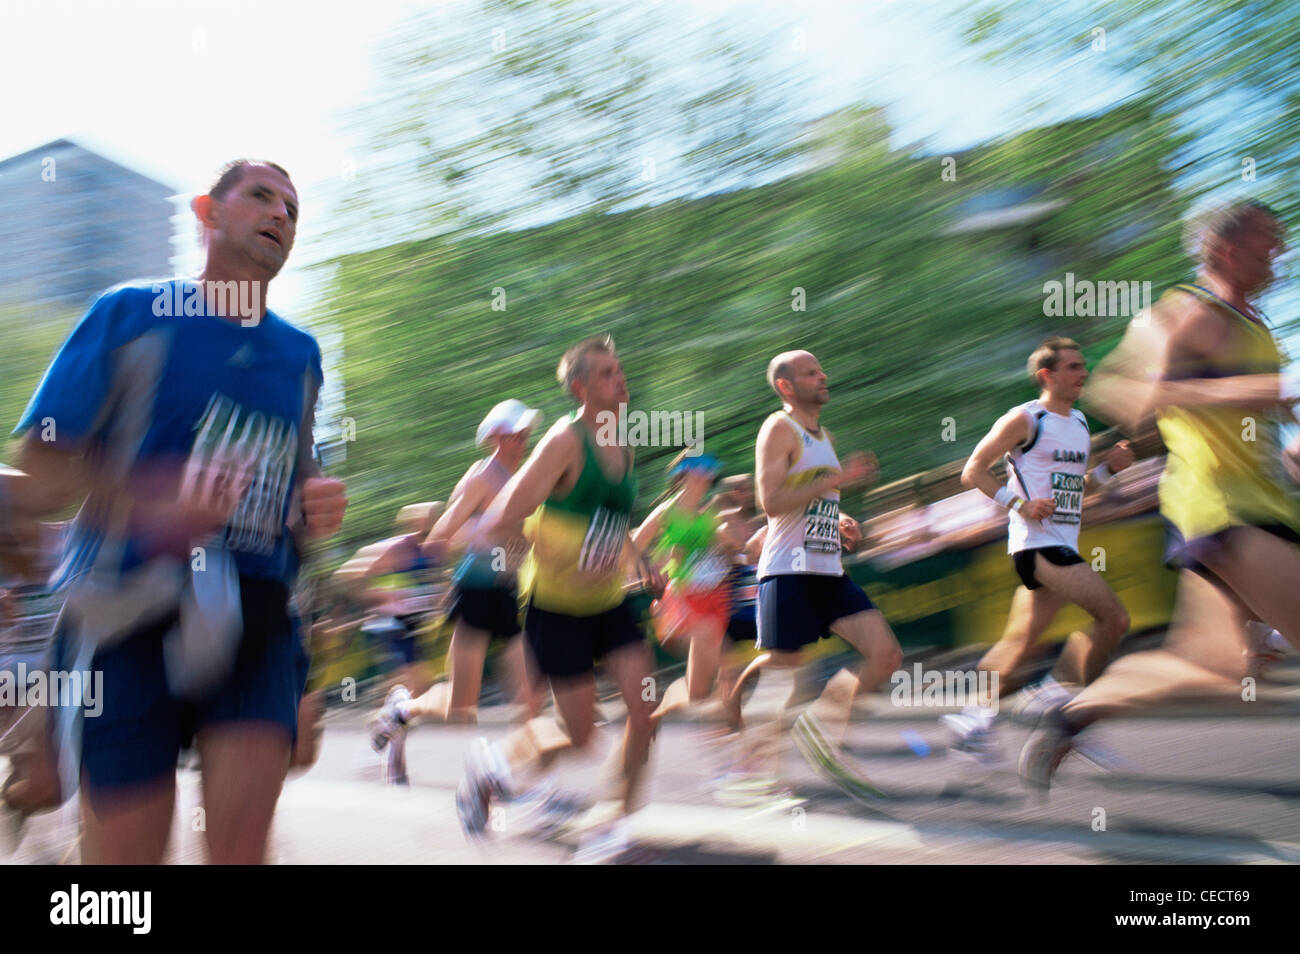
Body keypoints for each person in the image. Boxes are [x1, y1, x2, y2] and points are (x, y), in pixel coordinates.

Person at [0, 159, 347, 863]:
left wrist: (314, 502)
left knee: (240, 851)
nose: (280, 214)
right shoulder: (129, 315)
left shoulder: (301, 355)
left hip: (256, 613)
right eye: (260, 196)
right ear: (207, 213)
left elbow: (299, 480)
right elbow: (38, 474)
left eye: (292, 208)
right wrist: (152, 496)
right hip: (128, 612)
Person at [1021, 199, 1300, 789]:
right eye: (1267, 240)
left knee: (1217, 669)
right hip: (1224, 509)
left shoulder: (1252, 322)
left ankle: (1070, 714)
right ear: (1227, 249)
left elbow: (1255, 418)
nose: (1279, 249)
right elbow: (1124, 392)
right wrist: (1258, 389)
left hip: (1258, 504)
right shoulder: (1186, 311)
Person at [455, 335, 657, 860]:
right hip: (557, 609)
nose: (622, 379)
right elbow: (503, 515)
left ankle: (612, 825)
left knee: (646, 712)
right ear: (581, 387)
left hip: (609, 603)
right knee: (583, 735)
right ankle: (495, 766)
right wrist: (546, 549)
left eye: (621, 369)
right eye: (609, 373)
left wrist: (638, 557)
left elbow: (611, 519)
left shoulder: (624, 441)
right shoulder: (566, 441)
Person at [943, 337, 1134, 763]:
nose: (1083, 373)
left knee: (1021, 642)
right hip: (1037, 543)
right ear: (1046, 375)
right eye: (1073, 367)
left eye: (1083, 367)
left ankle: (971, 721)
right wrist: (1020, 505)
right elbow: (972, 471)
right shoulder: (1027, 419)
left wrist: (1106, 470)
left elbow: (1074, 493)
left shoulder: (1081, 424)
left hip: (1063, 540)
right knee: (1114, 618)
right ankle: (1056, 701)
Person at [726, 349, 901, 800]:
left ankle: (823, 729)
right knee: (788, 679)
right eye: (810, 373)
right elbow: (772, 501)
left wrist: (837, 520)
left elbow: (813, 499)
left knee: (886, 656)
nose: (822, 376)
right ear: (786, 386)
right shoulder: (778, 428)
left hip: (829, 570)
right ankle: (753, 774)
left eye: (821, 369)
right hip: (787, 572)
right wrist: (836, 479)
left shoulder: (825, 434)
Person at [368, 400, 544, 784]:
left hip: (508, 594)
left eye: (527, 431)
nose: (524, 439)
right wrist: (480, 536)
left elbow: (528, 540)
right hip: (475, 593)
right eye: (517, 432)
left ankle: (532, 786)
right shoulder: (482, 477)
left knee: (530, 695)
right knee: (460, 710)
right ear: (497, 436)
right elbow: (444, 533)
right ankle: (403, 709)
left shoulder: (528, 480)